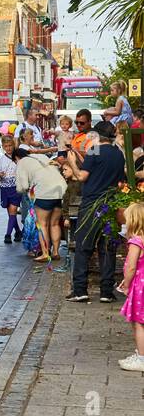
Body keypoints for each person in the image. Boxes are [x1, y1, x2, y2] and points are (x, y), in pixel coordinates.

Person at [68, 120, 127, 302]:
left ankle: (80, 290)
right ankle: (106, 292)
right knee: (107, 247)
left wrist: (72, 163)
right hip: (110, 205)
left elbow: (82, 176)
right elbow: (120, 182)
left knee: (84, 247)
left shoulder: (95, 150)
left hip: (92, 204)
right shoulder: (118, 154)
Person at [14, 146, 67, 263]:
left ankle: (45, 253)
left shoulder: (22, 163)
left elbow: (22, 186)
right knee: (54, 224)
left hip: (44, 193)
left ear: (17, 158)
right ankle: (56, 252)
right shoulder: (41, 157)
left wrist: (27, 189)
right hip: (60, 190)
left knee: (42, 224)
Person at [116, 202, 144, 372]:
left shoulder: (136, 241)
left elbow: (131, 266)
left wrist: (126, 284)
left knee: (138, 322)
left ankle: (141, 358)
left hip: (140, 284)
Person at [0, 135, 20, 243]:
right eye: (6, 146)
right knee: (10, 212)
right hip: (5, 188)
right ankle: (18, 231)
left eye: (10, 145)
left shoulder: (18, 158)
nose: (9, 148)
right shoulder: (0, 159)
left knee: (13, 210)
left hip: (16, 187)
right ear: (3, 147)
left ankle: (8, 235)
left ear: (13, 145)